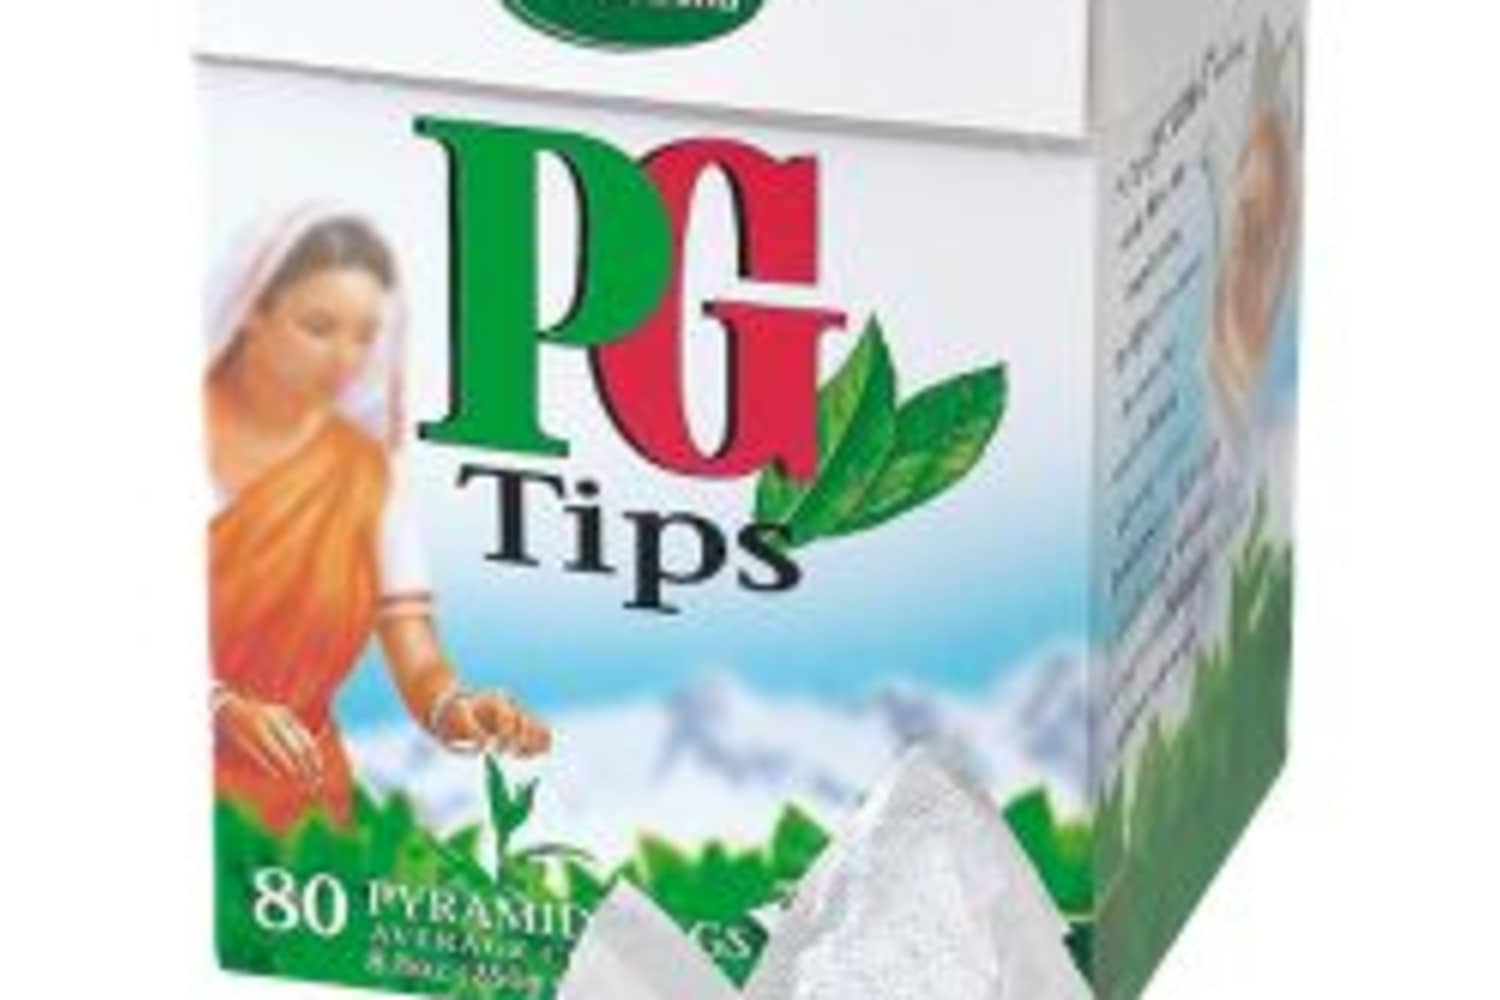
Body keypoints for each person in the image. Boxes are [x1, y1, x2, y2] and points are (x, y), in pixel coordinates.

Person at [206, 208, 551, 833]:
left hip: (305, 808)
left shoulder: (365, 474)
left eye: (365, 335)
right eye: (319, 327)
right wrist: (221, 710)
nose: (345, 358)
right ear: (253, 309)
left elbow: (416, 658)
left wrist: (459, 710)